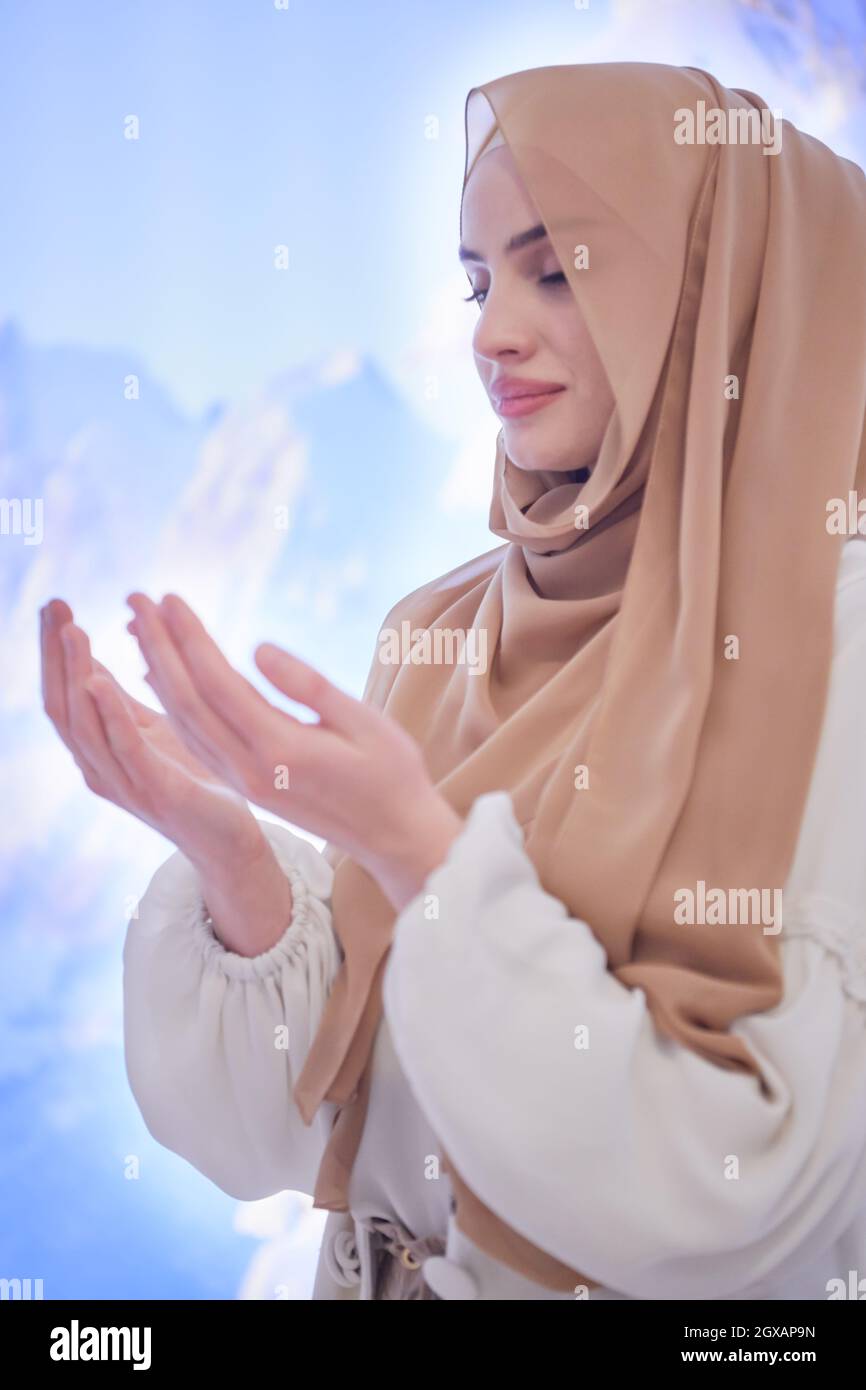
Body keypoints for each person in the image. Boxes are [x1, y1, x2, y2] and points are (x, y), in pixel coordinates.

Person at [40, 61, 866, 1301]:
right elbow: (314, 1133)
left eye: (558, 270)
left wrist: (421, 856)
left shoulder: (829, 639)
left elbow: (737, 1198)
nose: (488, 331)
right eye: (477, 281)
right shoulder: (441, 628)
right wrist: (235, 864)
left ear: (715, 302)